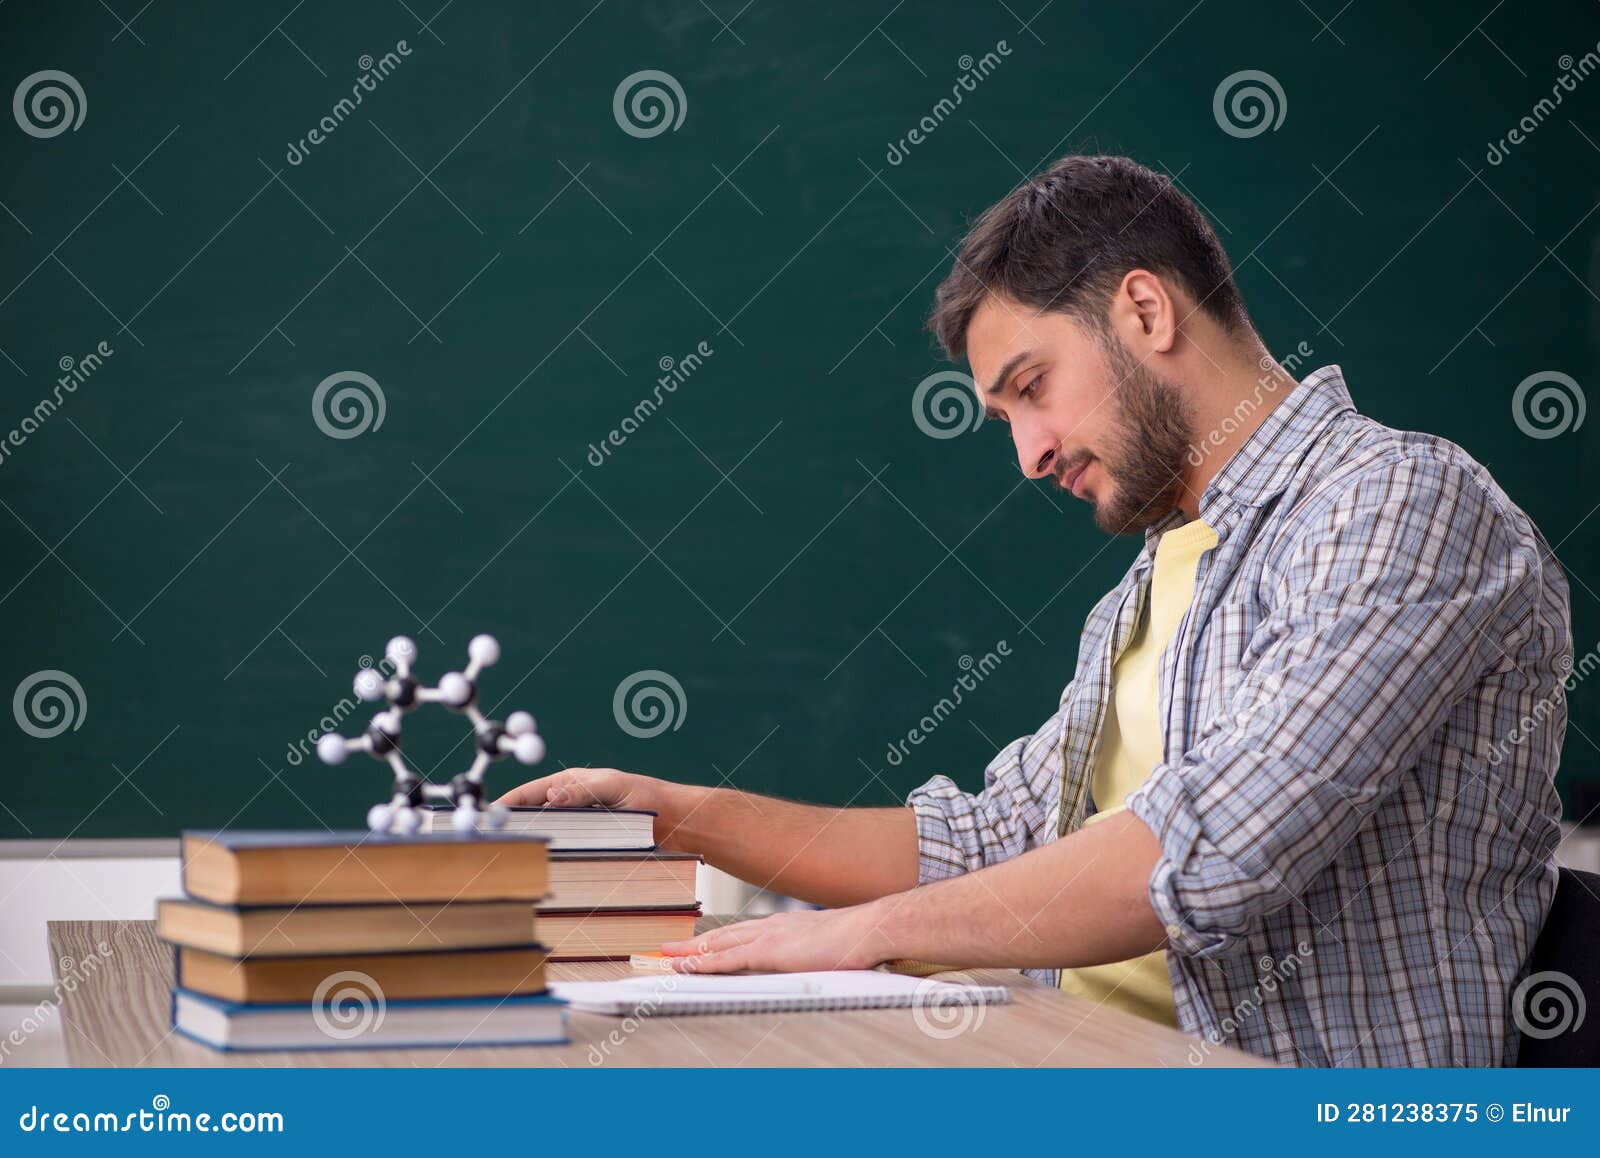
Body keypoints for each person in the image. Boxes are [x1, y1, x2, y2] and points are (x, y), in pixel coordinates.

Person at [500, 154, 1572, 1067]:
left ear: (1144, 311)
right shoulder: (1146, 591)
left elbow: (1215, 846)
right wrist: (675, 814)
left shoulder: (1403, 506)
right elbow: (984, 845)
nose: (1029, 454)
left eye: (1032, 386)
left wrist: (856, 936)